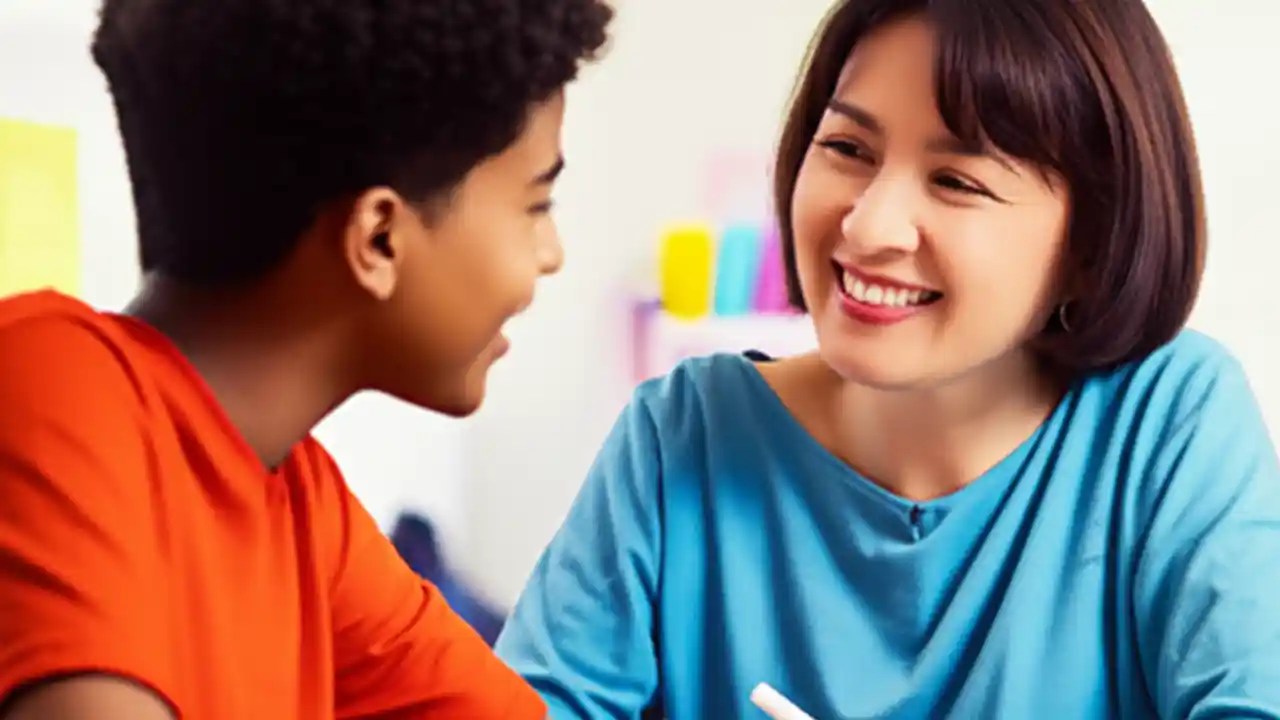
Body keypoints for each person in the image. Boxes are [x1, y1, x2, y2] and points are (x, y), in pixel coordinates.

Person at [494, 0, 1280, 717]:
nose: (869, 228)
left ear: (1089, 240)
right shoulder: (681, 439)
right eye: (845, 147)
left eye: (956, 180)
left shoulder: (1170, 420)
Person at [0, 0, 611, 717]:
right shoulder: (47, 381)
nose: (551, 254)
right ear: (379, 238)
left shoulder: (303, 505)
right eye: (536, 205)